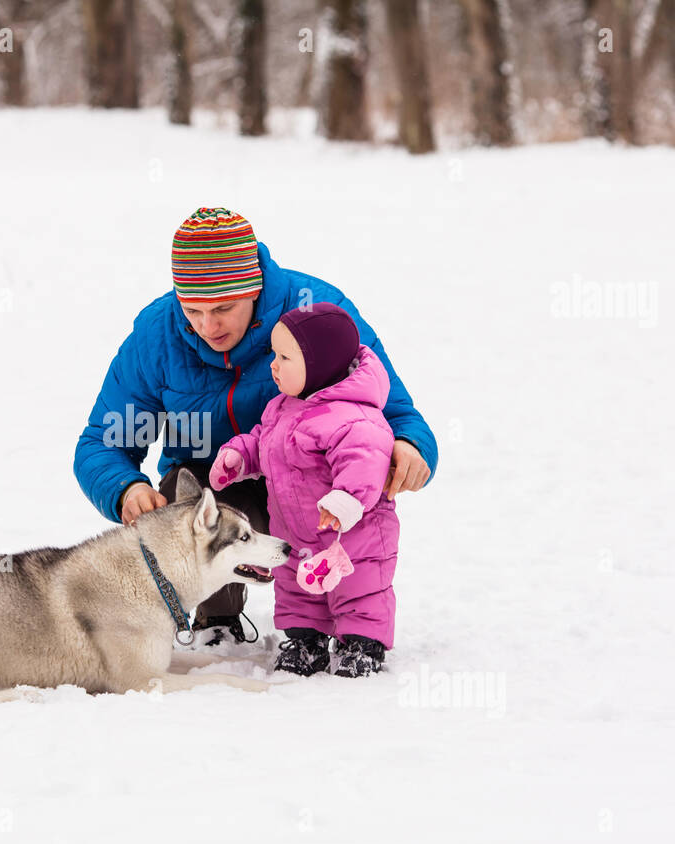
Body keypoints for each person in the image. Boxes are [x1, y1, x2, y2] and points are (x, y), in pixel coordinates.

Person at [73, 207, 436, 645]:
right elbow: (103, 442)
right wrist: (125, 488)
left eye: (223, 308)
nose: (208, 326)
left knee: (353, 487)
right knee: (188, 497)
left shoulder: (317, 312)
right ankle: (212, 617)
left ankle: (353, 623)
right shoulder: (157, 335)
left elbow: (391, 406)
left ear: (254, 289)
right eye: (193, 310)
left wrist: (409, 444)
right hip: (215, 481)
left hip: (313, 482)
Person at [210, 303, 396, 677]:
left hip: (351, 537)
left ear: (319, 366)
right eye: (273, 355)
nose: (273, 366)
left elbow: (367, 462)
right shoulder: (282, 408)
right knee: (297, 589)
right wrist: (242, 456)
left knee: (358, 590)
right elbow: (267, 442)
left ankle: (363, 645)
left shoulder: (352, 416)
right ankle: (305, 642)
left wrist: (344, 501)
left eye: (284, 357)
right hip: (295, 532)